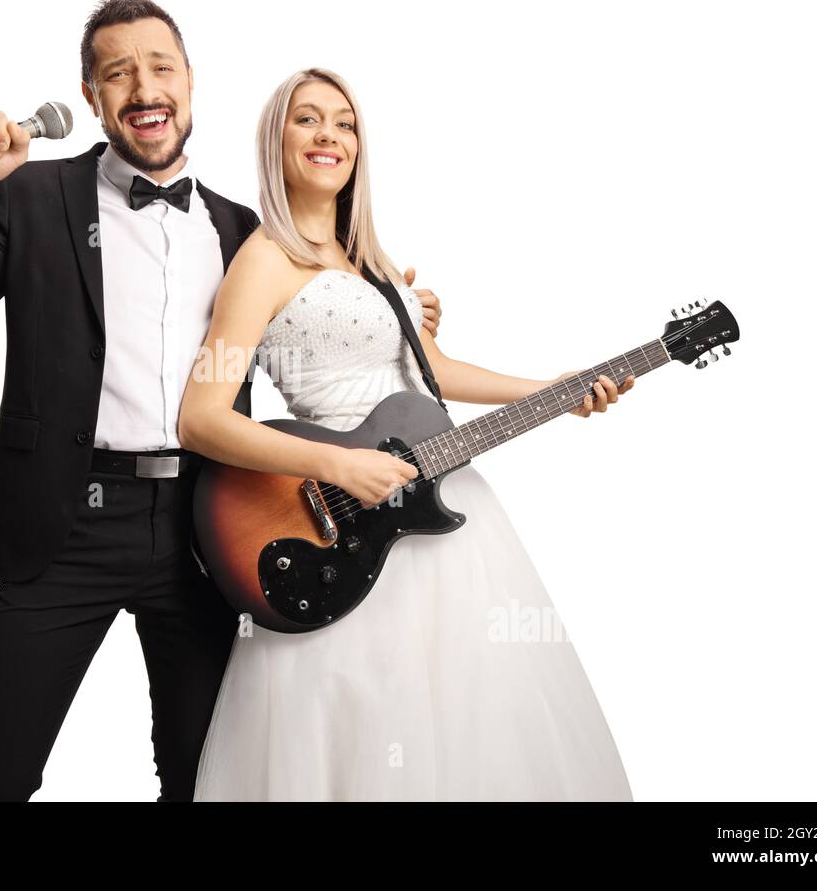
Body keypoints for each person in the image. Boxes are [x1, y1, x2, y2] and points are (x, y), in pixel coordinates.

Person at [0, 0, 443, 800]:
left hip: (210, 523)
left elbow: (316, 364)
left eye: (160, 67)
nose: (143, 87)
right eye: (118, 73)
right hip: (61, 522)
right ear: (91, 98)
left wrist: (400, 323)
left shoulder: (244, 228)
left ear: (190, 83)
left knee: (206, 777)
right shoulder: (31, 195)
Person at [177, 68, 635, 800]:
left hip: (442, 509)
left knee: (469, 719)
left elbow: (432, 373)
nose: (329, 135)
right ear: (276, 141)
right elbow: (201, 418)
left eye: (345, 123)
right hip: (338, 520)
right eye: (307, 120)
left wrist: (560, 390)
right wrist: (338, 466)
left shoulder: (377, 265)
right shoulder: (263, 259)